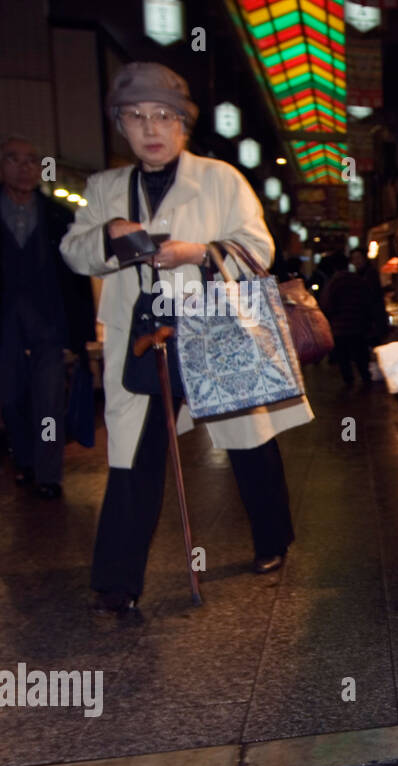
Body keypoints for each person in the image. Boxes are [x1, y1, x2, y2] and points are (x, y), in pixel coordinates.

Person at [60, 62, 313, 616]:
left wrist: (197, 252)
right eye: (136, 116)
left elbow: (258, 251)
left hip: (215, 327)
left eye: (164, 116)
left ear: (183, 124)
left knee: (249, 439)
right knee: (135, 455)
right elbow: (73, 253)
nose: (151, 128)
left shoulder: (222, 179)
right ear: (120, 125)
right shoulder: (104, 188)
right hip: (145, 338)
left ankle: (273, 539)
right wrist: (109, 236)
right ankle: (117, 580)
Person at [0, 134, 94, 498]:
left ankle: (48, 473)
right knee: (10, 398)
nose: (23, 168)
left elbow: (78, 277)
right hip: (6, 324)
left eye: (31, 160)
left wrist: (81, 330)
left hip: (49, 323)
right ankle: (24, 458)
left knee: (49, 402)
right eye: (13, 159)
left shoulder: (58, 216)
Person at [322, 248, 386, 387]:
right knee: (361, 356)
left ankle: (349, 384)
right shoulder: (357, 280)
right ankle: (366, 381)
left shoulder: (333, 283)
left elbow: (327, 305)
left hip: (340, 328)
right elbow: (368, 301)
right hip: (358, 326)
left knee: (344, 359)